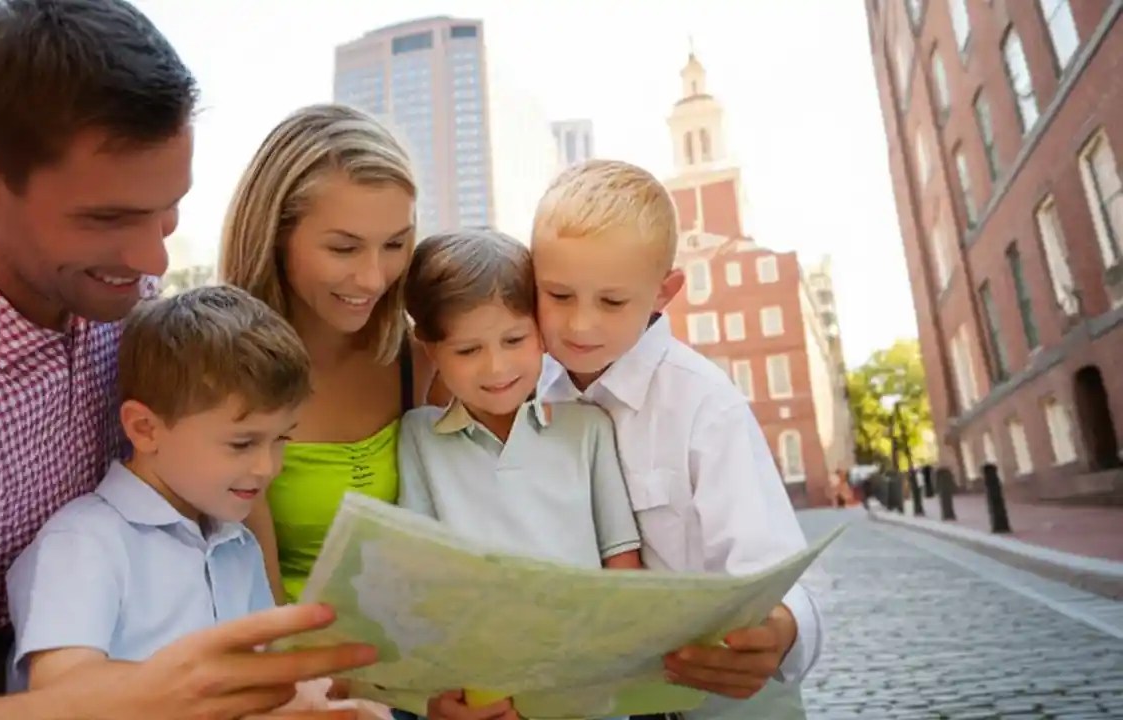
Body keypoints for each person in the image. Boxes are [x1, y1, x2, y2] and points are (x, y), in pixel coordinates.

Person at [0, 2, 373, 718]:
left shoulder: (120, 280)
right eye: (107, 220)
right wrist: (133, 700)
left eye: (167, 211)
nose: (152, 260)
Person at [530, 160, 824, 716]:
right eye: (558, 295)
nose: (580, 325)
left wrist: (778, 631)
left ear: (664, 293)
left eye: (612, 301)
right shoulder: (525, 398)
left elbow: (779, 578)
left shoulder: (707, 407)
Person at [5, 285, 310, 691]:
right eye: (242, 443)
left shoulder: (238, 544)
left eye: (281, 440)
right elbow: (63, 693)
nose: (267, 467)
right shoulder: (83, 542)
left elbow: (269, 677)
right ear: (145, 429)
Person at [398, 229, 643, 717]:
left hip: (585, 692)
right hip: (485, 693)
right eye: (468, 351)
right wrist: (441, 694)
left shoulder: (587, 427)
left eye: (514, 339)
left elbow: (622, 567)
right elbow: (419, 579)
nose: (496, 366)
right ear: (431, 351)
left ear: (542, 333)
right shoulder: (419, 437)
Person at [220, 104, 440, 605]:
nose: (373, 278)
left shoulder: (423, 363)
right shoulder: (220, 375)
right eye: (343, 249)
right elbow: (254, 597)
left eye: (395, 244)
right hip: (287, 664)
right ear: (275, 238)